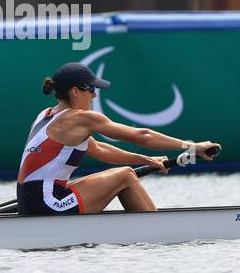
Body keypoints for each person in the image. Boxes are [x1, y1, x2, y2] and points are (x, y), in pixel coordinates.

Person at [16, 62, 221, 215]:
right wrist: (192, 146)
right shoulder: (80, 119)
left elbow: (99, 150)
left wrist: (145, 160)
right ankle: (158, 235)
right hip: (48, 203)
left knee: (125, 173)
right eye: (91, 89)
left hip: (31, 202)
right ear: (75, 91)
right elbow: (142, 136)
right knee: (125, 176)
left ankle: (148, 227)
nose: (95, 95)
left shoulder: (46, 115)